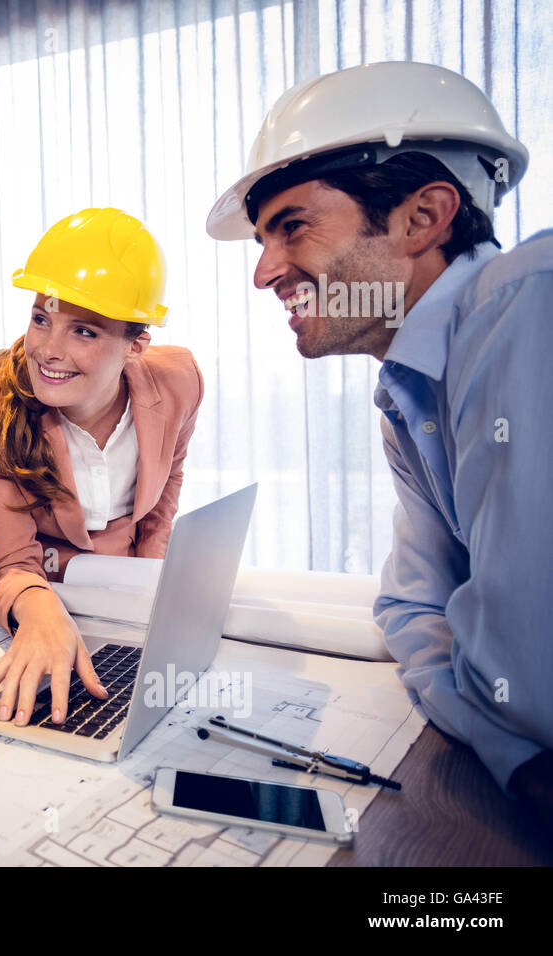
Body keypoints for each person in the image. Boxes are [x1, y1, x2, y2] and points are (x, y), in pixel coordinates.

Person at [206, 60, 552, 822]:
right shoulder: (407, 390)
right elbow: (411, 600)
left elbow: (527, 688)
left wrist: (502, 717)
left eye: (292, 226)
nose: (264, 273)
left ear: (423, 218)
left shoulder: (527, 303)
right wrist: (501, 731)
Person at [0, 208, 202, 729]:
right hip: (38, 598)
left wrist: (151, 587)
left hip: (126, 605)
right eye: (41, 318)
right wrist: (42, 608)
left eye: (83, 331)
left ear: (136, 345)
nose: (47, 350)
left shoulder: (180, 380)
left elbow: (166, 489)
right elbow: (13, 560)